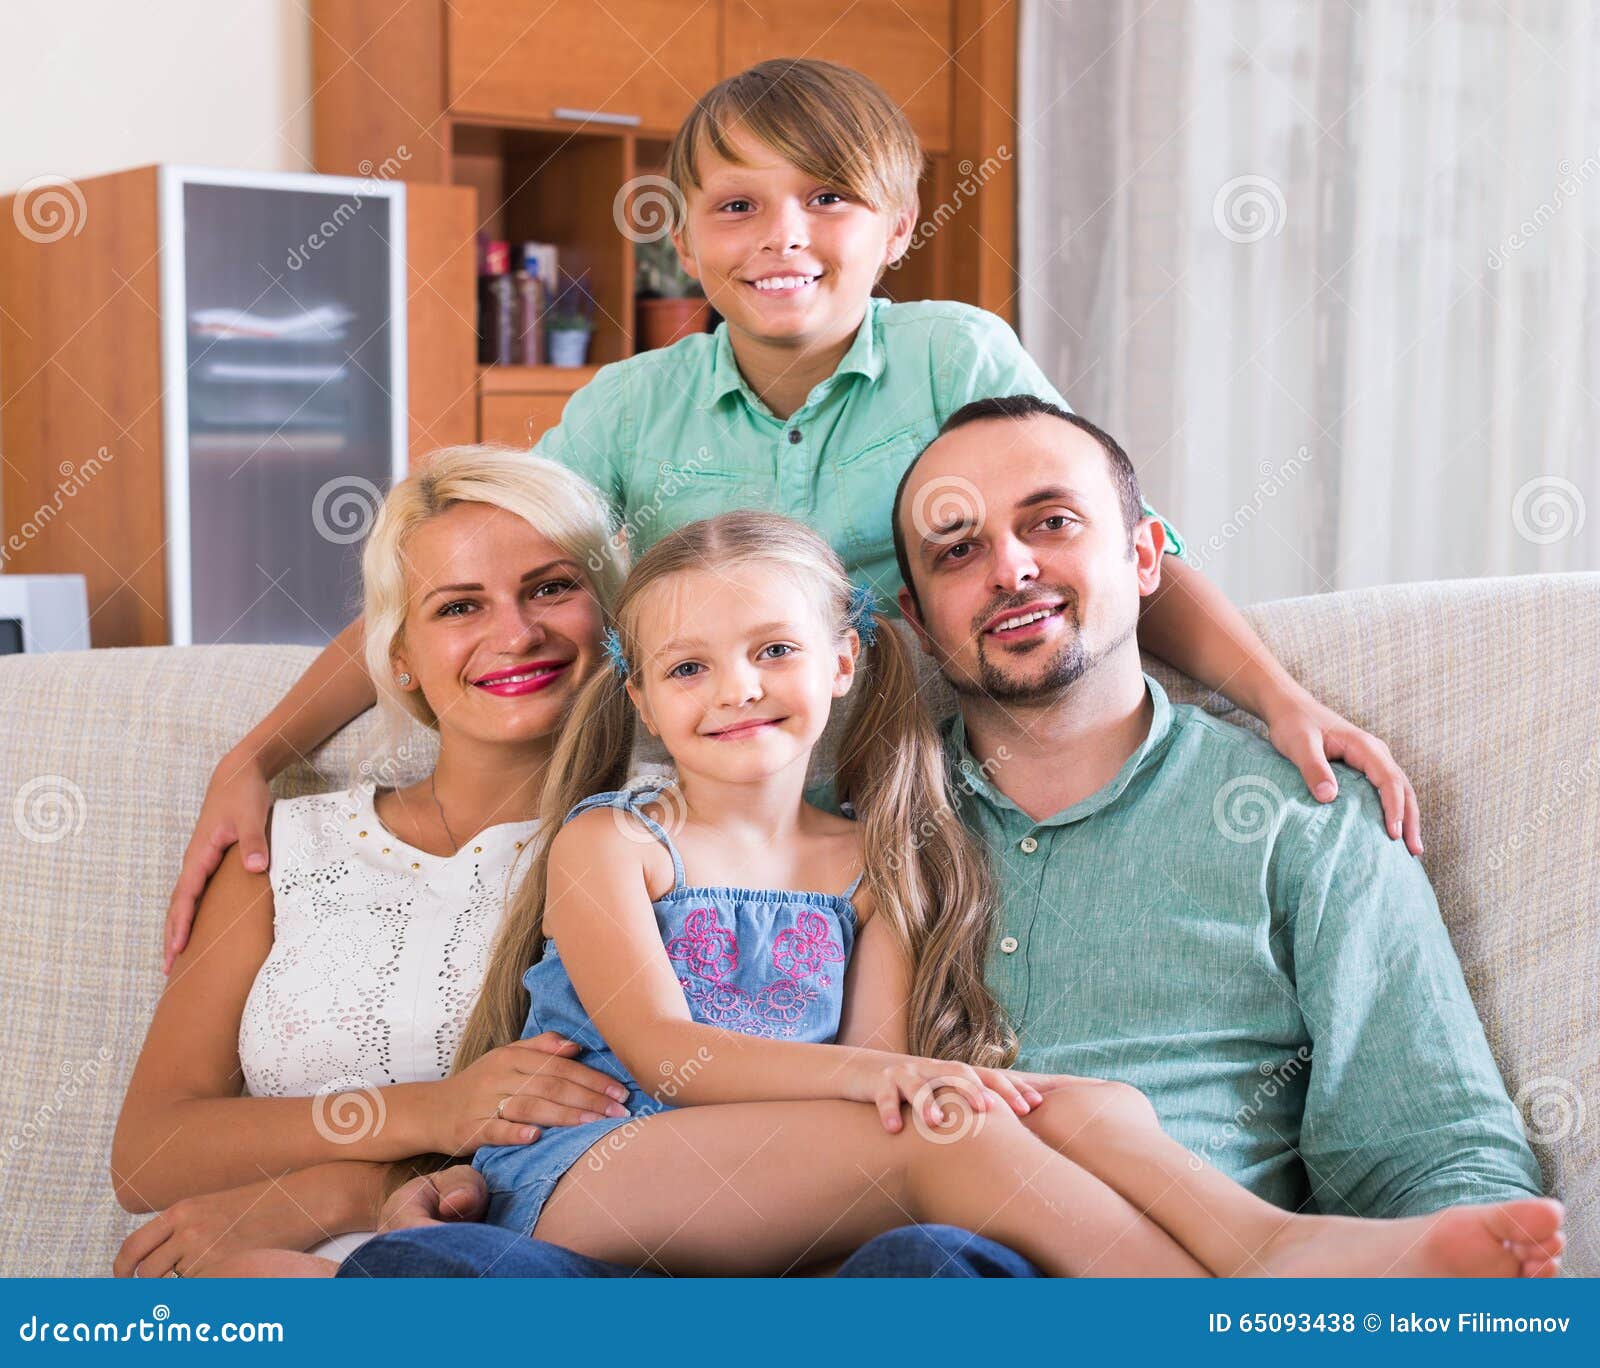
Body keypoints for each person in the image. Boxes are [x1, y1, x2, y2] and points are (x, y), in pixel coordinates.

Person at [161, 59, 1419, 976]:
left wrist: (1276, 699)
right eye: (737, 206)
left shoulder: (954, 357)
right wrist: (259, 753)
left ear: (897, 227)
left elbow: (1114, 548)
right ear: (683, 235)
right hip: (715, 830)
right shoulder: (627, 410)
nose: (782, 238)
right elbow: (462, 581)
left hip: (927, 805)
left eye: (827, 198)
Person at [214, 510, 1560, 1278]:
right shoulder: (615, 843)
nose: (736, 690)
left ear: (847, 665)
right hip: (592, 1166)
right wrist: (899, 1088)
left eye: (772, 650)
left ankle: (1275, 1245)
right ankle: (1211, 1316)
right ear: (642, 698)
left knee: (1094, 1106)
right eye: (687, 670)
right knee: (941, 1138)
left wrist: (908, 1083)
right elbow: (672, 1056)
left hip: (780, 1170)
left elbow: (880, 1063)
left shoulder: (872, 860)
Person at [888, 395, 1557, 1225]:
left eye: (1053, 522)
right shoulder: (861, 835)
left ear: (1144, 557)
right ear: (919, 621)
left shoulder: (1304, 817)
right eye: (958, 551)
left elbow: (1438, 1157)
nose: (1011, 570)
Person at [109, 449, 632, 1274]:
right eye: (459, 606)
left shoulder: (651, 847)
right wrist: (431, 1117)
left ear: (612, 615)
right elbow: (149, 1153)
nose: (515, 633)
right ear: (396, 657)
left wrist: (341, 1194)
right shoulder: (280, 846)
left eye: (551, 588)